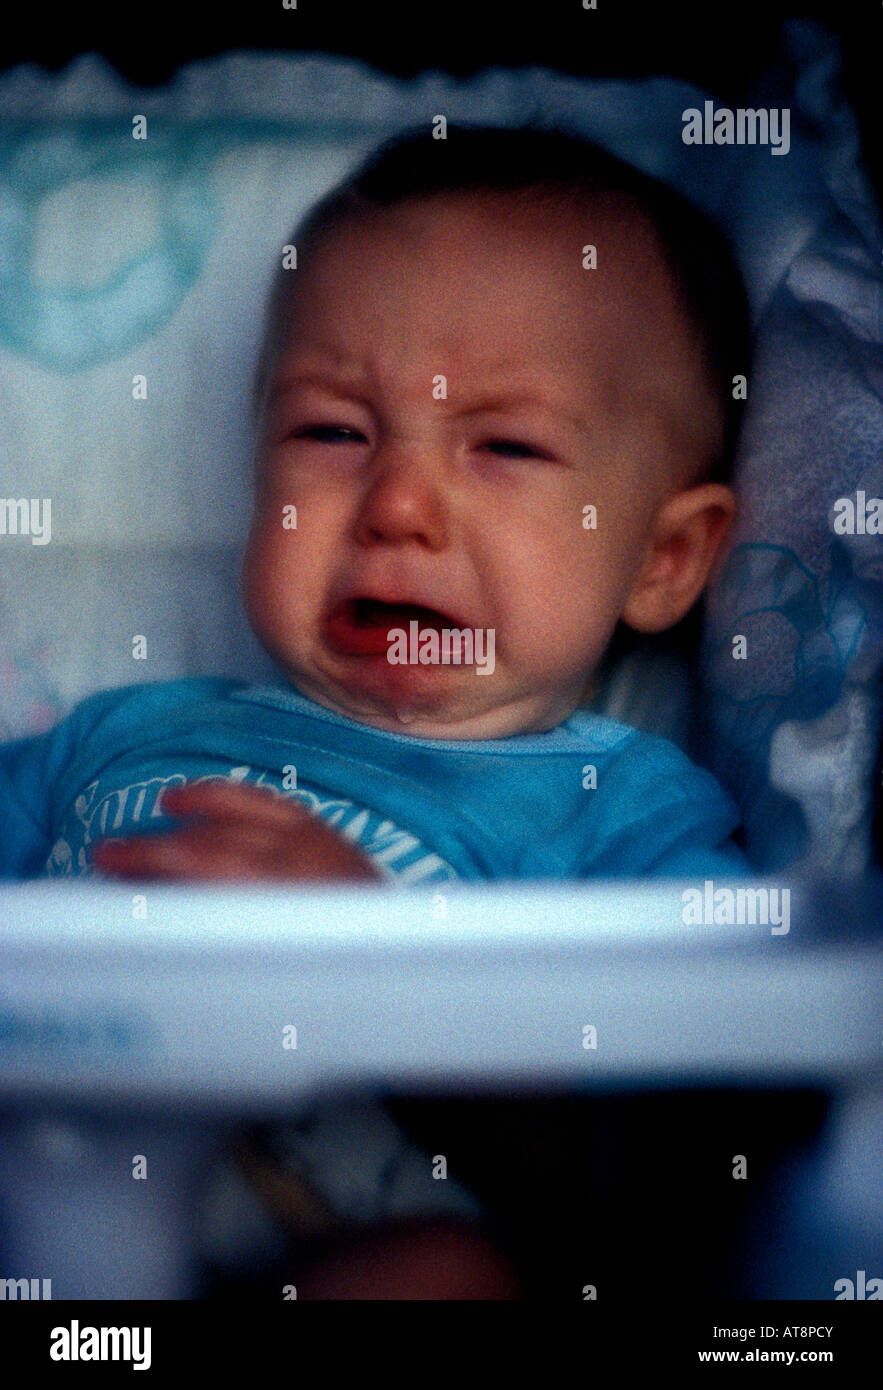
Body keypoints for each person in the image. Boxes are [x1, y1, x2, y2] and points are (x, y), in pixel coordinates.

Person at [0, 123, 752, 1297]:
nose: (399, 502)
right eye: (332, 431)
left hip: (331, 1253)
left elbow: (655, 1168)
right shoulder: (122, 730)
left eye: (503, 444)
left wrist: (387, 971)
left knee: (452, 1278)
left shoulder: (622, 814)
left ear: (662, 557)